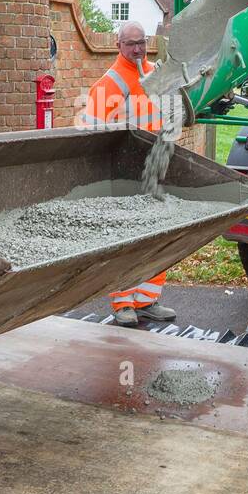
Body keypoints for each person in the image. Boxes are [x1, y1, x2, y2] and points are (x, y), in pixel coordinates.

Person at [81, 21, 176, 327]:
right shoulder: (109, 84)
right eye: (131, 43)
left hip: (154, 167)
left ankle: (147, 300)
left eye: (141, 42)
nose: (137, 48)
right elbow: (91, 135)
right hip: (123, 173)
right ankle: (123, 303)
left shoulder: (156, 74)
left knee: (155, 236)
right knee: (125, 237)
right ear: (118, 45)